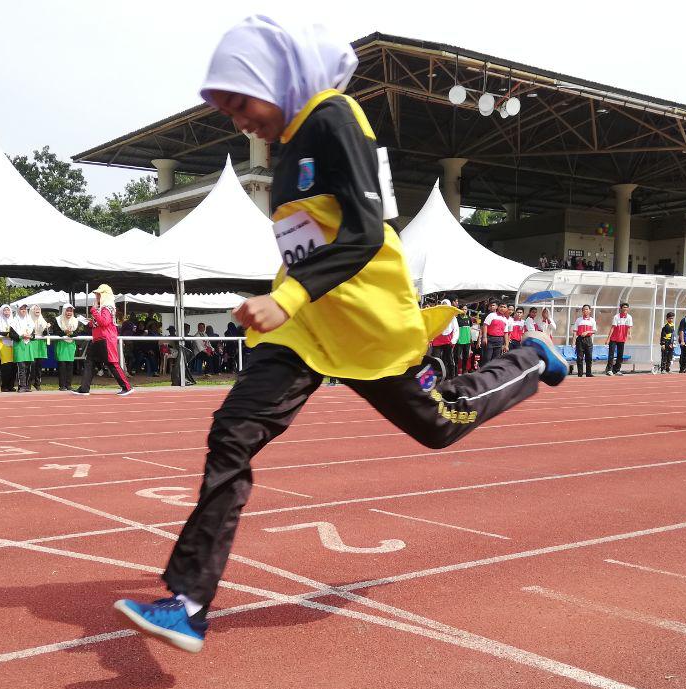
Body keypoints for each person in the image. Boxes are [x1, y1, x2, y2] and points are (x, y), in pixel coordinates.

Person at [113, 15, 567, 653]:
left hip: (361, 320)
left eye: (240, 103)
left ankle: (528, 358)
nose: (238, 122)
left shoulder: (335, 117)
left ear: (274, 79)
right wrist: (282, 301)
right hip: (302, 328)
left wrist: (288, 294)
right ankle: (188, 601)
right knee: (232, 433)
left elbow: (359, 233)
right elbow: (307, 236)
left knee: (439, 426)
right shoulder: (286, 142)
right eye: (225, 110)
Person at [77, 284, 134, 396]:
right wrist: (91, 322)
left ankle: (127, 387)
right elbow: (101, 323)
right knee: (89, 362)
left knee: (112, 363)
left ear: (104, 295)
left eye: (99, 294)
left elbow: (104, 322)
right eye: (97, 294)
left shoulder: (106, 307)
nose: (97, 296)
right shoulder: (103, 308)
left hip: (105, 339)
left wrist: (93, 311)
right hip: (99, 338)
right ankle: (84, 388)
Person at [54, 303, 82, 390]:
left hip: (71, 344)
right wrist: (65, 332)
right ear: (64, 311)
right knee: (62, 364)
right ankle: (62, 385)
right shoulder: (58, 320)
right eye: (67, 311)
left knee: (70, 364)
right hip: (61, 344)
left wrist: (72, 333)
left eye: (70, 311)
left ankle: (68, 385)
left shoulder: (75, 320)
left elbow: (78, 333)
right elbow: (55, 332)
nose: (69, 313)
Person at [9, 303, 36, 391]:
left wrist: (30, 336)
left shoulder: (30, 321)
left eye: (25, 309)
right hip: (19, 345)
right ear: (18, 310)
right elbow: (12, 335)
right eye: (21, 309)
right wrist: (21, 336)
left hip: (28, 345)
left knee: (28, 366)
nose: (23, 310)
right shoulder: (14, 322)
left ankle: (27, 386)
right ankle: (21, 386)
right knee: (21, 366)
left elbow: (33, 335)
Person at [0, 304, 17, 391]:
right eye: (5, 310)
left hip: (14, 344)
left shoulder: (14, 321)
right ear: (1, 311)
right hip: (3, 344)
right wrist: (7, 334)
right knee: (6, 365)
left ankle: (11, 385)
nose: (7, 312)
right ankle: (4, 386)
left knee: (14, 366)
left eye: (8, 310)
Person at [605, 301, 631, 375]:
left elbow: (629, 328)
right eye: (624, 307)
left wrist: (629, 334)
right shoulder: (616, 317)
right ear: (621, 308)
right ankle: (609, 369)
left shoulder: (629, 317)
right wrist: (608, 339)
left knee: (620, 355)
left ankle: (617, 370)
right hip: (613, 339)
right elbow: (612, 328)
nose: (625, 309)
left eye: (626, 307)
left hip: (622, 339)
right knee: (611, 355)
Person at [572, 304, 596, 377]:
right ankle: (580, 374)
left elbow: (594, 331)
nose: (585, 311)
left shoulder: (592, 320)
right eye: (584, 309)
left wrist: (587, 332)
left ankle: (588, 373)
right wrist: (573, 342)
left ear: (590, 311)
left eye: (586, 309)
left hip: (588, 339)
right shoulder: (578, 320)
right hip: (579, 340)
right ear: (582, 311)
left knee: (589, 357)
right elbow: (575, 331)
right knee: (579, 358)